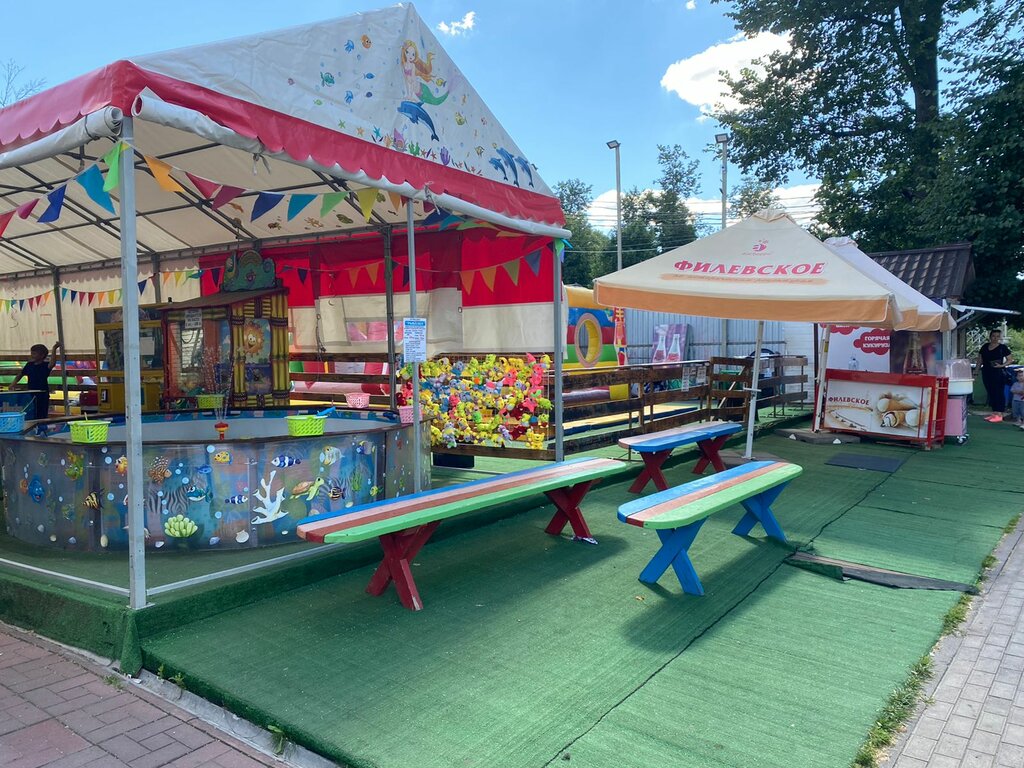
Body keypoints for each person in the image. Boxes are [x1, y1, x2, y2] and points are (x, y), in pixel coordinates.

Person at [10, 342, 61, 420]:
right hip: (31, 392)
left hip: (42, 393)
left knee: (42, 413)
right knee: (31, 411)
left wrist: (54, 349)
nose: (32, 355)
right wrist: (13, 384)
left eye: (34, 353)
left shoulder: (45, 365)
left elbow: (52, 363)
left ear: (42, 355)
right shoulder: (29, 365)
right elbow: (20, 374)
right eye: (31, 353)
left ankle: (42, 428)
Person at [977, 330, 1013, 421]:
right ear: (990, 336)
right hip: (986, 371)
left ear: (1000, 337)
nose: (995, 338)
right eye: (993, 336)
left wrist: (1001, 365)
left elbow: (1010, 359)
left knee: (998, 392)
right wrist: (976, 371)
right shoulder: (985, 346)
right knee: (991, 392)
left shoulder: (1002, 347)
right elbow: (980, 360)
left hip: (998, 372)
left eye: (997, 336)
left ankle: (999, 413)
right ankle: (994, 412)